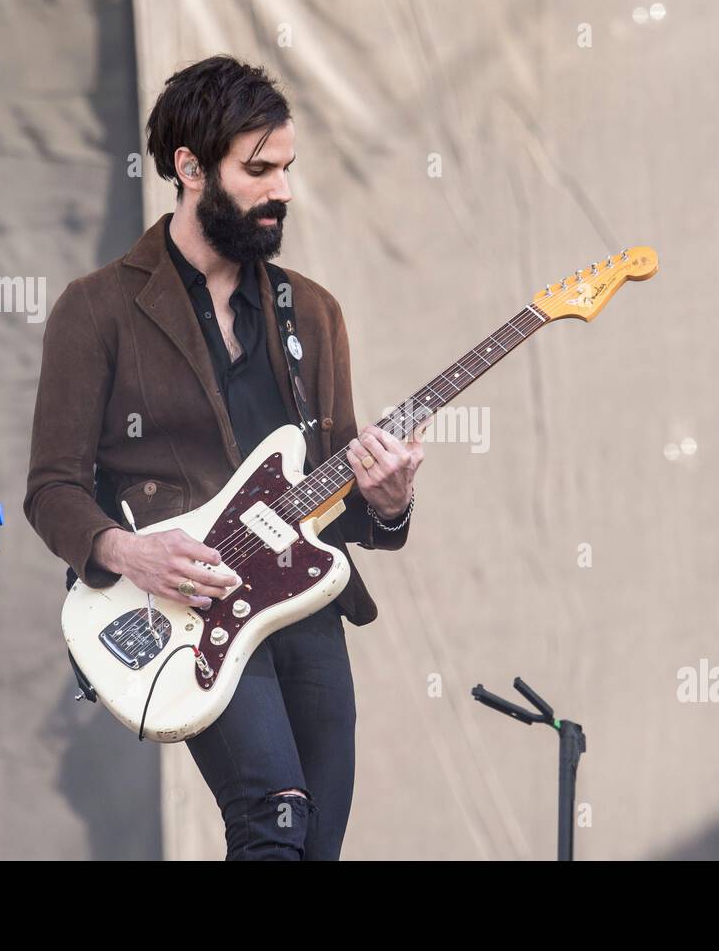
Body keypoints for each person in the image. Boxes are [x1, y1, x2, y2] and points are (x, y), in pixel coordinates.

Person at [24, 55, 423, 859]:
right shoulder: (98, 307)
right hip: (186, 605)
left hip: (301, 609)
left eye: (287, 168)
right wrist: (128, 550)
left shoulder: (310, 311)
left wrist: (387, 501)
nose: (281, 188)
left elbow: (335, 490)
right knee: (273, 818)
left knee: (317, 842)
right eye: (258, 169)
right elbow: (52, 487)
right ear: (189, 167)